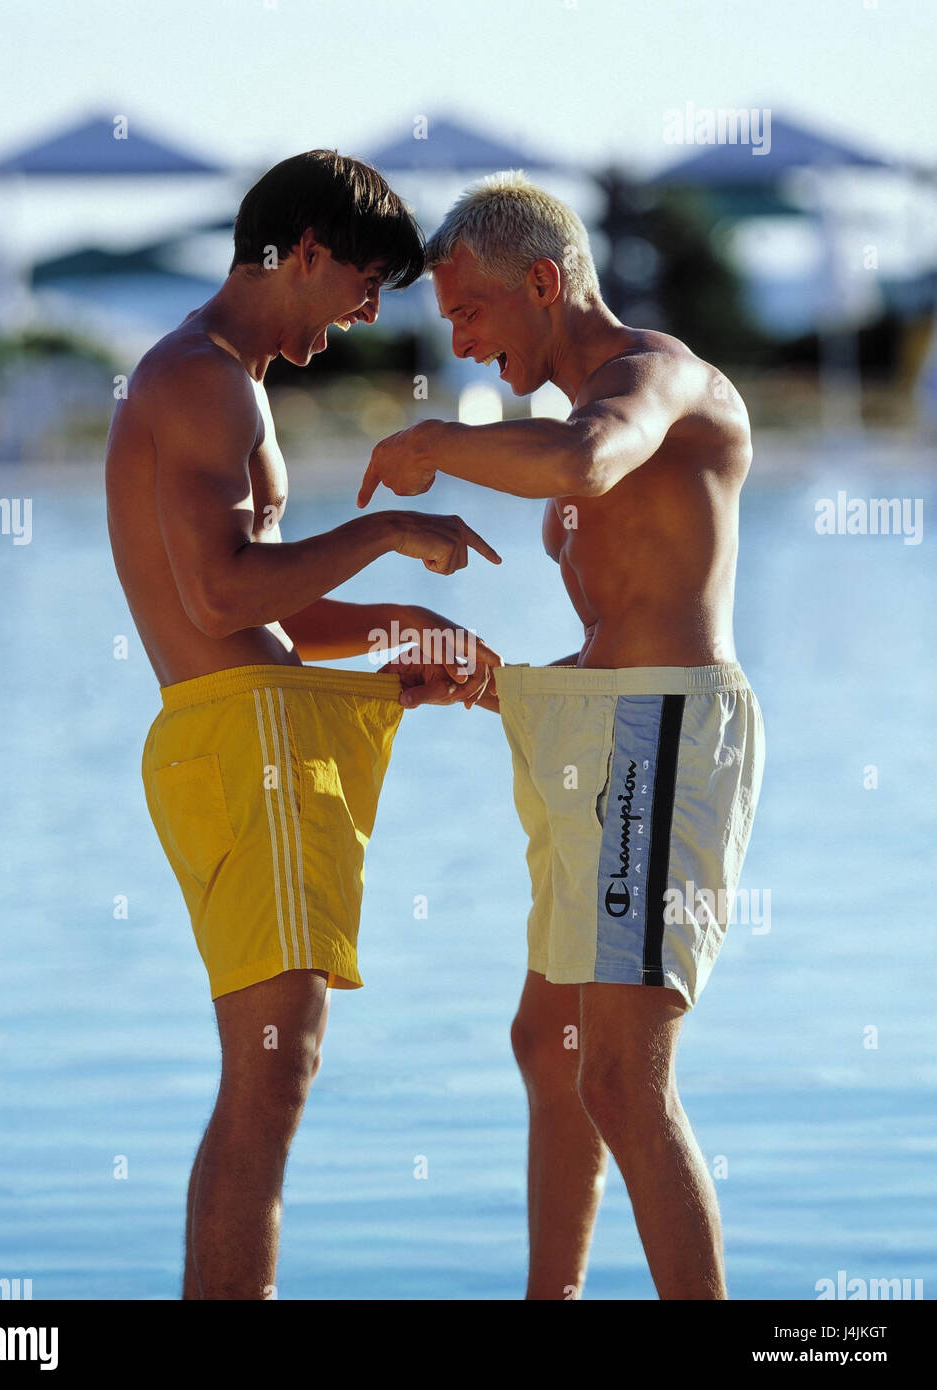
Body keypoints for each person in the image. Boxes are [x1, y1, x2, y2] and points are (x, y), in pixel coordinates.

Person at [358, 171, 765, 1300]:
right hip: (604, 731)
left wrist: (432, 444)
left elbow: (586, 463)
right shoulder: (567, 428)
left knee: (626, 1079)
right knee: (552, 1045)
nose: (460, 337)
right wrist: (491, 686)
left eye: (469, 311)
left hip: (666, 736)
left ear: (543, 281)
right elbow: (608, 640)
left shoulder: (657, 379)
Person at [105, 150, 500, 1300]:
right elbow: (225, 598)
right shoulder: (203, 379)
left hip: (237, 731)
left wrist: (387, 629)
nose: (368, 315)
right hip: (244, 749)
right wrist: (381, 535)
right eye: (366, 284)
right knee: (273, 1079)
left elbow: (235, 603)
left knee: (262, 1079)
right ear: (308, 252)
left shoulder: (213, 374)